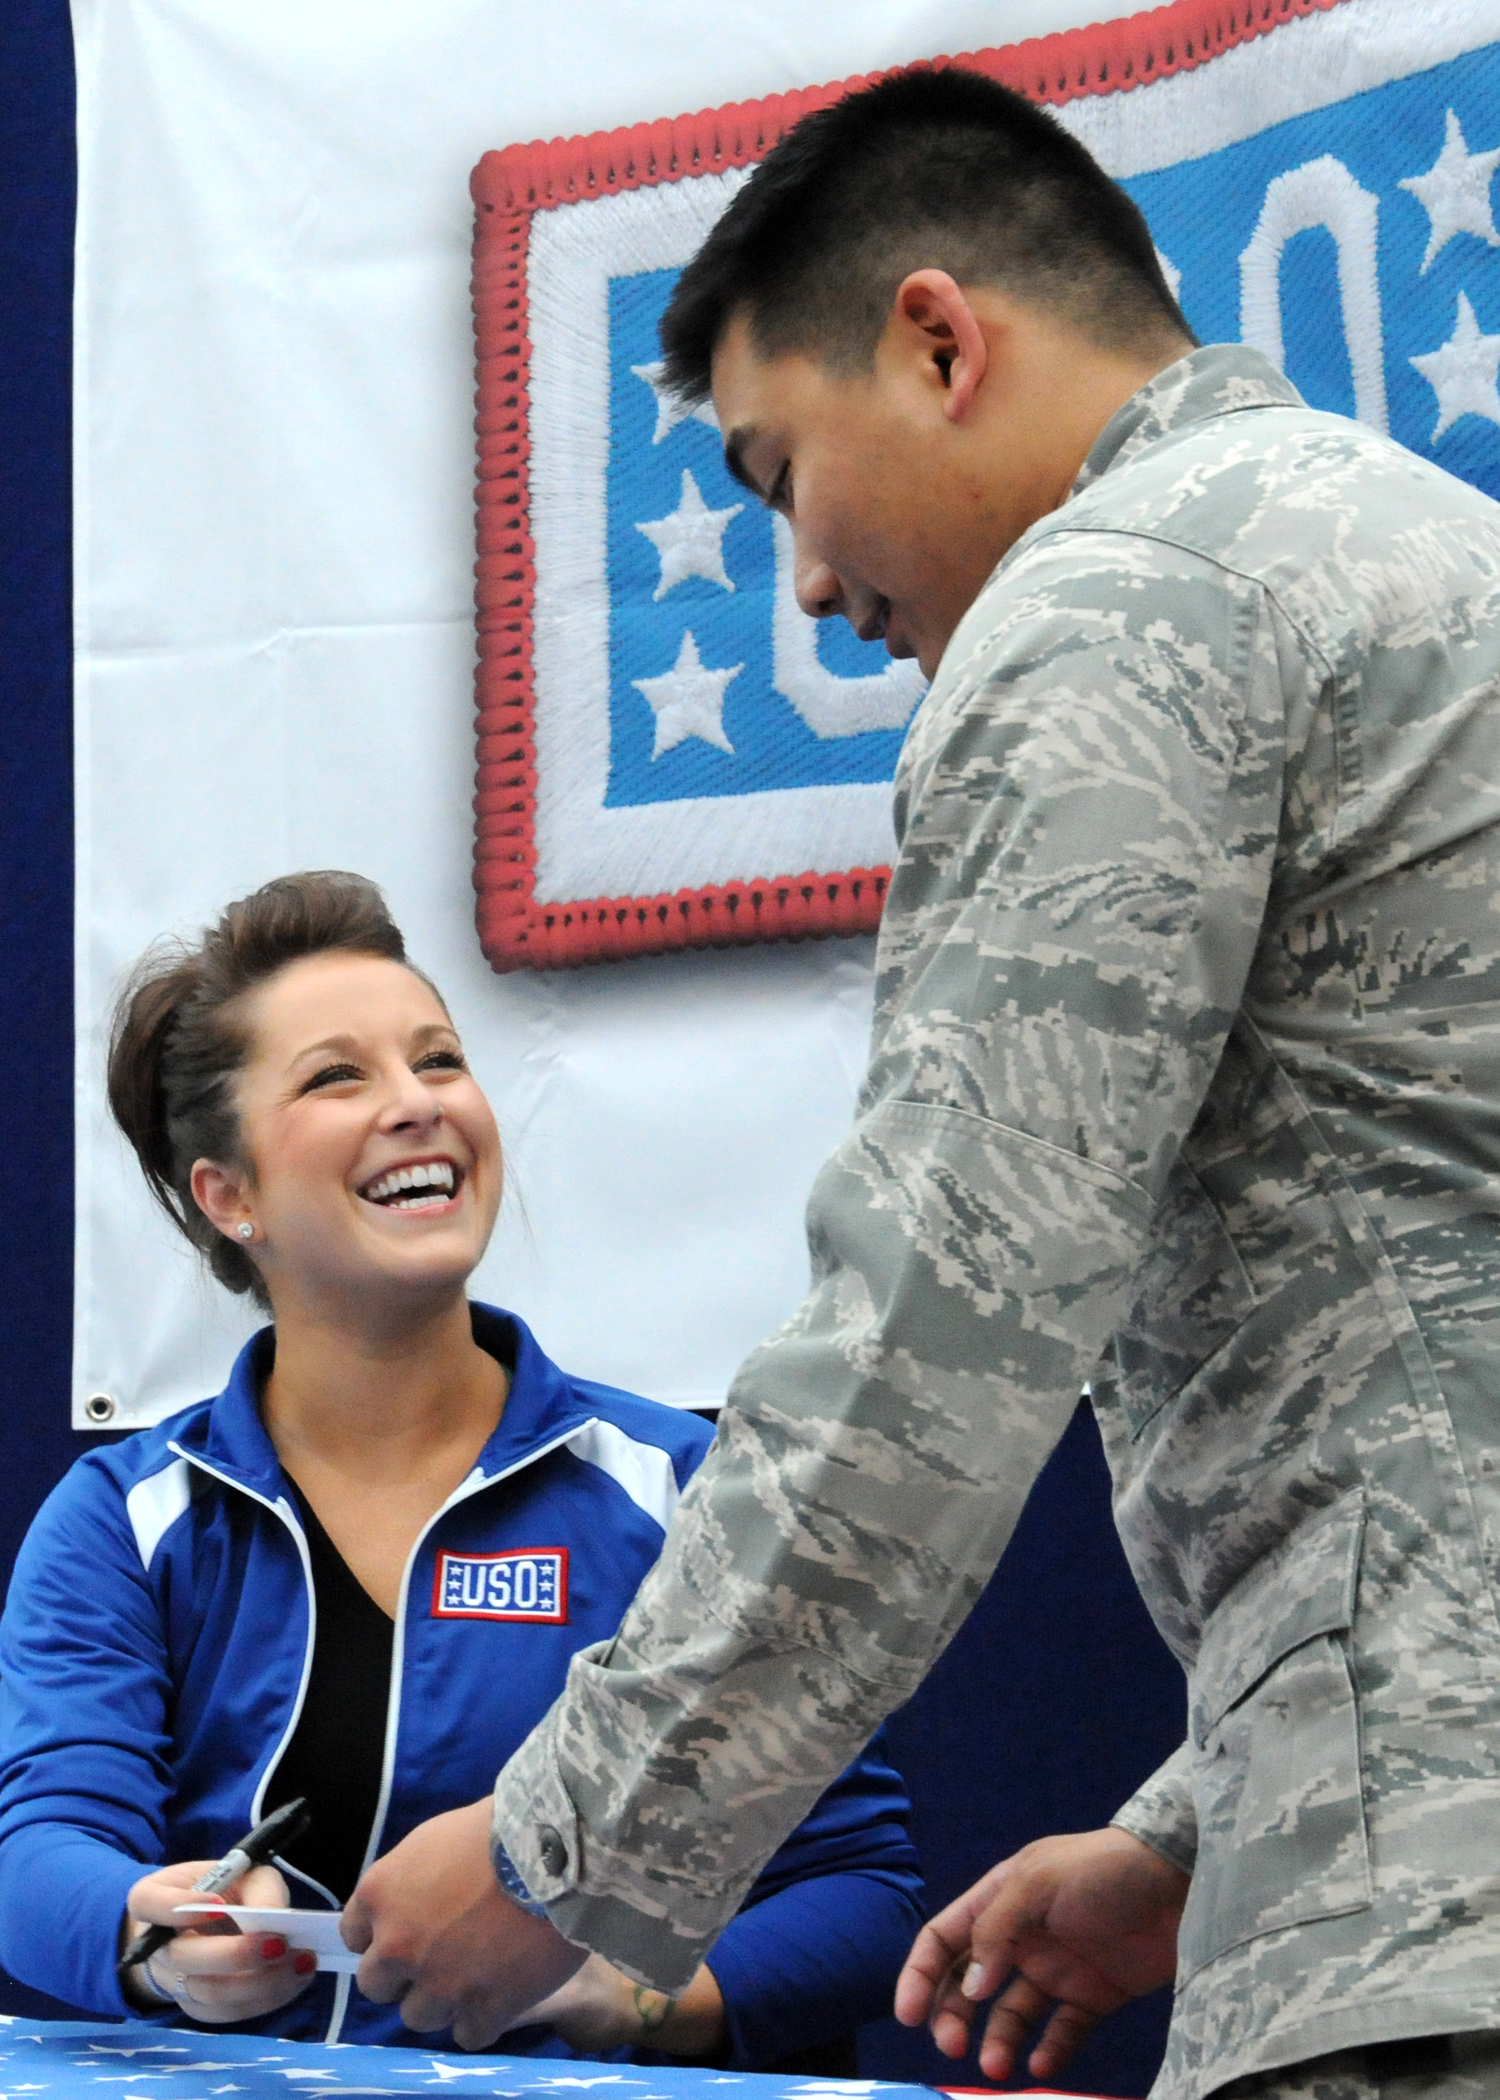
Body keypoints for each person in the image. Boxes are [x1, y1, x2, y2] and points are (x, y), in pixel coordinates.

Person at [343, 62, 1500, 2100]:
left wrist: (568, 1853)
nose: (798, 582)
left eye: (780, 472)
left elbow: (936, 1330)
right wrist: (1192, 1831)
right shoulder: (1427, 561)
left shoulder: (1123, 606)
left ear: (939, 341)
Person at [0, 870, 923, 2066]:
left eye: (438, 1062)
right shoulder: (123, 1522)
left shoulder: (680, 1486)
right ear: (228, 1197)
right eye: (339, 1076)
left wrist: (640, 2003)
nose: (417, 1104)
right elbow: (43, 1851)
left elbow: (860, 1883)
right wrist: (157, 1938)